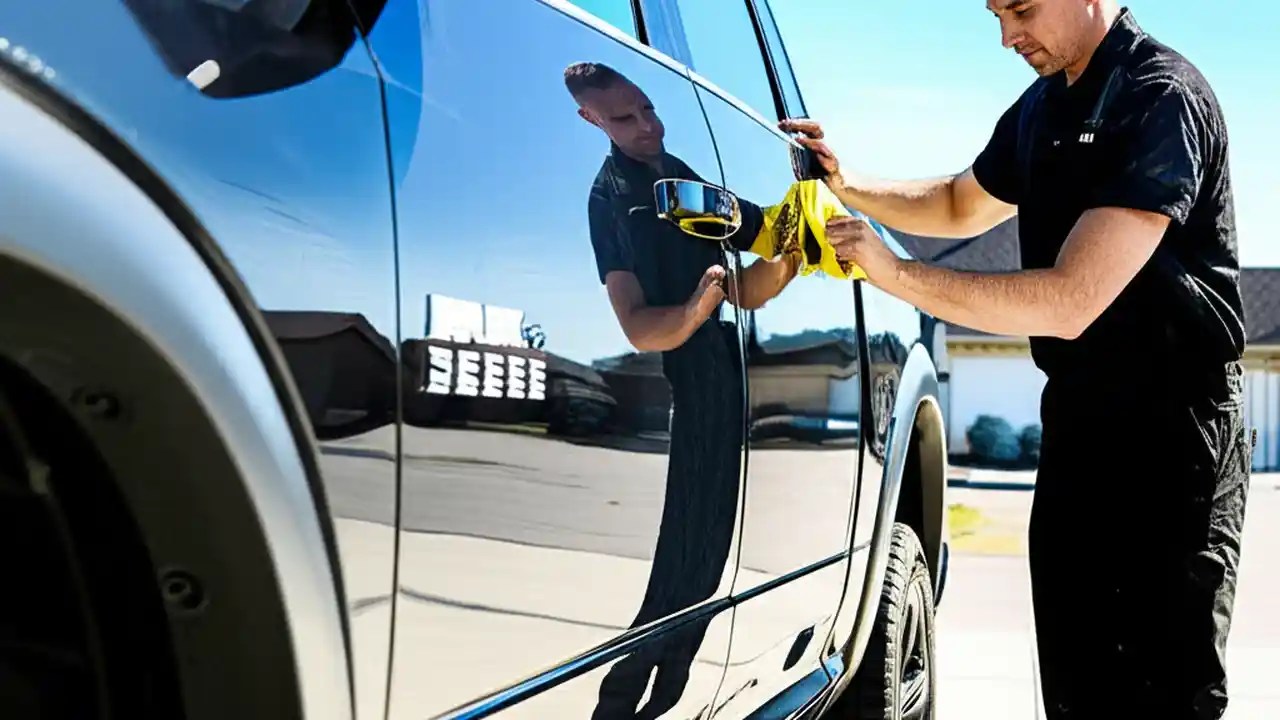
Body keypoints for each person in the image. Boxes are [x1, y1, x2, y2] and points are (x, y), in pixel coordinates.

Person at [782, 2, 1249, 718]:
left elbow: (1069, 301)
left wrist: (895, 273)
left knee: (1163, 694)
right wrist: (849, 185)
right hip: (1077, 424)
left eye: (1021, 8)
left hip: (1176, 440)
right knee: (1075, 684)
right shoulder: (1040, 107)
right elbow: (957, 203)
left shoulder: (1160, 96)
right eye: (996, 13)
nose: (1006, 36)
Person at [564, 61, 799, 719]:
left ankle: (670, 699)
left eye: (647, 109)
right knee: (674, 566)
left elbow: (750, 282)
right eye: (623, 118)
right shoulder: (608, 199)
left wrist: (790, 254)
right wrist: (697, 310)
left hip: (721, 376)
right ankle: (621, 703)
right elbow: (638, 326)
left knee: (708, 558)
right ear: (590, 121)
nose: (646, 127)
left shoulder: (686, 176)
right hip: (672, 385)